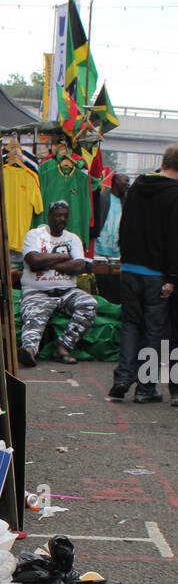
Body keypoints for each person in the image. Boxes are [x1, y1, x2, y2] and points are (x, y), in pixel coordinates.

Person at [109, 149, 178, 404]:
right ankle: (146, 387)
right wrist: (172, 276)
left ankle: (122, 378)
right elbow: (173, 238)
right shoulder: (174, 194)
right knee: (154, 330)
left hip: (130, 269)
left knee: (129, 325)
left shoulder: (137, 187)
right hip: (156, 273)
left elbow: (124, 225)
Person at [18, 200, 97, 368]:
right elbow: (33, 259)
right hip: (37, 292)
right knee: (34, 317)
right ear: (49, 216)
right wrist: (64, 257)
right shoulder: (35, 235)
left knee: (89, 304)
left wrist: (46, 262)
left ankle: (62, 348)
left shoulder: (72, 238)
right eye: (58, 215)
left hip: (67, 291)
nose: (61, 219)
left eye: (65, 216)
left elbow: (79, 266)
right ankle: (29, 351)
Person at [95, 172, 129, 263]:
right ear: (116, 181)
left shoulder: (127, 201)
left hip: (117, 254)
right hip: (98, 251)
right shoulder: (101, 197)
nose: (128, 184)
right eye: (125, 181)